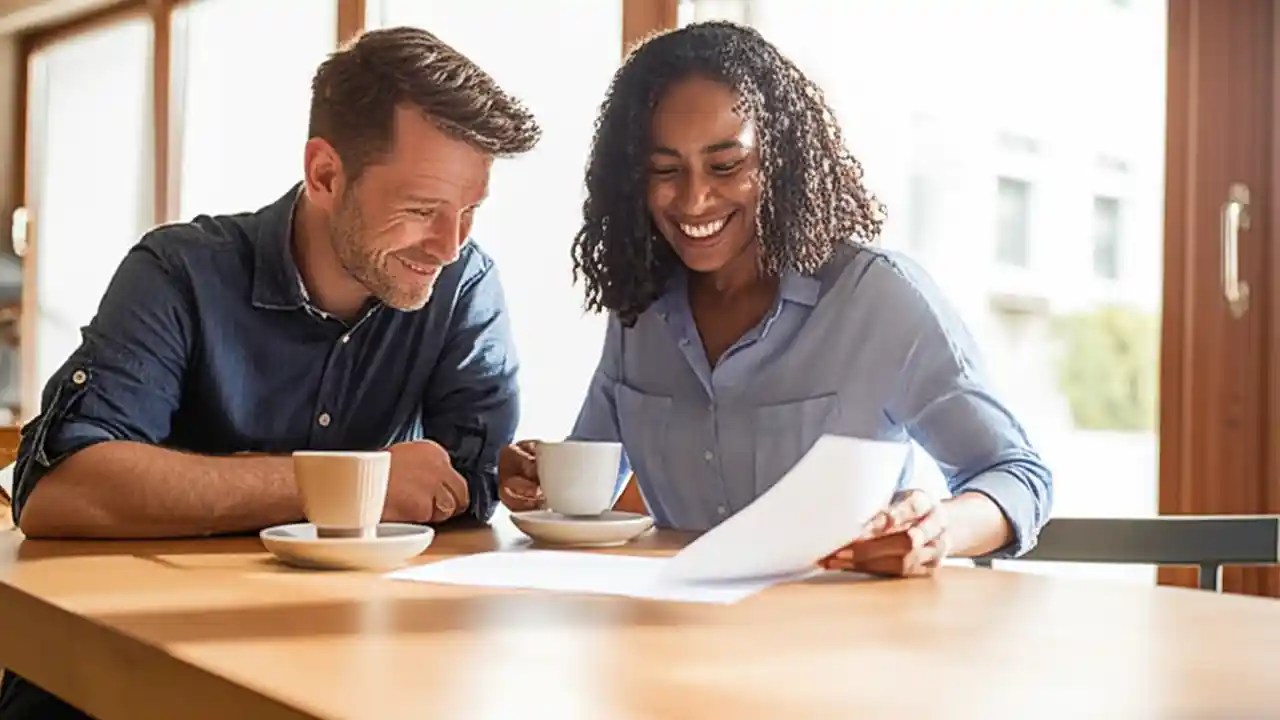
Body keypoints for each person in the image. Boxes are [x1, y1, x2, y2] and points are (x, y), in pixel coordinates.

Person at [1, 27, 538, 718]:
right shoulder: (179, 273)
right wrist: (347, 483)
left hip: (335, 667)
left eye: (469, 212)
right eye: (421, 210)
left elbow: (460, 489)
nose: (448, 245)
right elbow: (60, 492)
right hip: (111, 674)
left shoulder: (460, 285)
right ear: (324, 175)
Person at [498, 21, 1053, 577]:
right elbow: (591, 478)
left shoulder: (880, 300)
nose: (694, 200)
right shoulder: (640, 309)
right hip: (670, 640)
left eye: (726, 166)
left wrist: (937, 532)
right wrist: (538, 474)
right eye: (664, 170)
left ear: (779, 159)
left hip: (836, 641)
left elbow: (1016, 474)